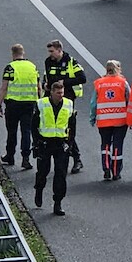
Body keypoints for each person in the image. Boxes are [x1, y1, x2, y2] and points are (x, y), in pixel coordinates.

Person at [43, 39, 87, 174]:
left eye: (52, 51)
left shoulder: (70, 61)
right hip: (52, 100)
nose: (50, 54)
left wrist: (65, 82)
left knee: (66, 130)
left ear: (59, 50)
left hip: (67, 99)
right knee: (53, 130)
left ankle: (76, 159)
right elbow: (48, 80)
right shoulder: (48, 62)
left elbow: (82, 78)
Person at [30, 81, 74, 216]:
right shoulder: (41, 103)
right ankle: (39, 190)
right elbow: (34, 125)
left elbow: (72, 125)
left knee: (61, 174)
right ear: (51, 92)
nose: (60, 95)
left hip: (61, 143)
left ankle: (58, 203)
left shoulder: (68, 104)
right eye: (58, 93)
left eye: (62, 92)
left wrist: (70, 144)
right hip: (45, 142)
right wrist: (36, 142)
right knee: (43, 171)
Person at [0, 43, 40, 171]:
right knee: (26, 131)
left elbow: (4, 88)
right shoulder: (32, 67)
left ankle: (10, 156)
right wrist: (39, 102)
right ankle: (25, 159)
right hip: (29, 104)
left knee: (12, 131)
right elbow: (39, 87)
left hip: (13, 104)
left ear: (12, 54)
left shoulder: (10, 68)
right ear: (23, 53)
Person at [89, 59, 129, 181]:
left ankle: (106, 168)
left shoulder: (99, 83)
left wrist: (92, 117)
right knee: (118, 145)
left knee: (105, 144)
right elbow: (130, 98)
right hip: (120, 120)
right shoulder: (123, 83)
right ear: (118, 69)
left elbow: (93, 103)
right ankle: (116, 171)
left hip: (104, 120)